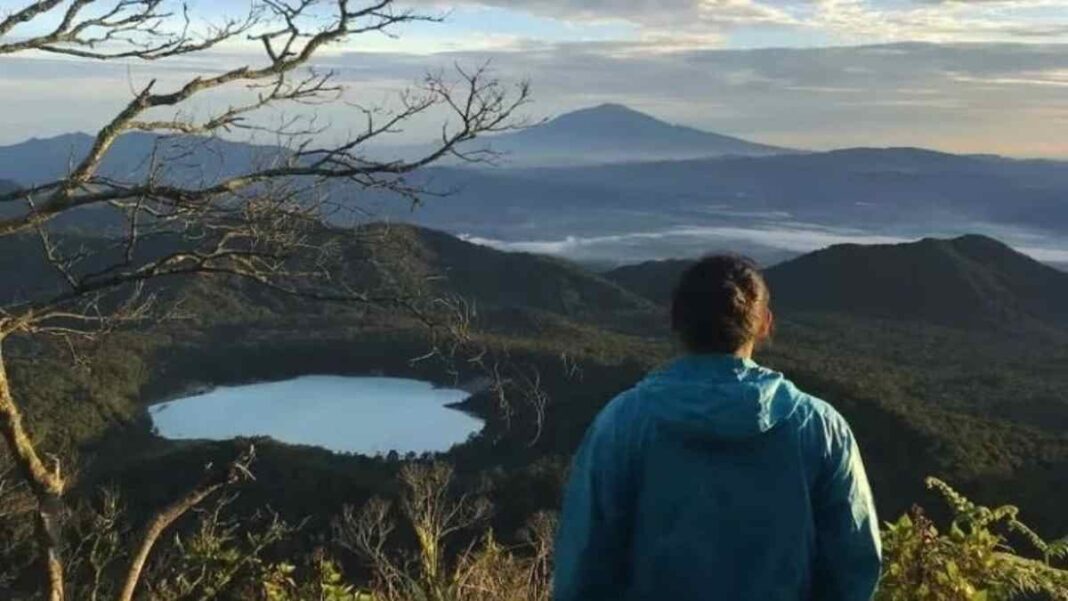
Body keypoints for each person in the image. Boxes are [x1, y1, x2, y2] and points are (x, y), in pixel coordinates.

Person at [554, 255, 881, 601]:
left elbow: (583, 567)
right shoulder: (820, 428)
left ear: (676, 323)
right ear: (765, 324)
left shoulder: (622, 424)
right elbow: (854, 567)